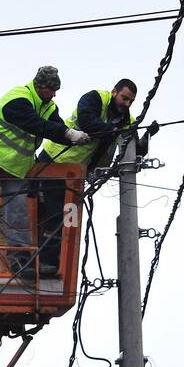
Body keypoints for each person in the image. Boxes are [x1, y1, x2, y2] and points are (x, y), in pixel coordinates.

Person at [0, 66, 90, 279]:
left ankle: (21, 263)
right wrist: (67, 133)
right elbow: (36, 125)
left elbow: (55, 128)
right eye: (51, 89)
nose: (54, 93)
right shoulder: (18, 98)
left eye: (56, 89)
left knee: (18, 214)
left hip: (15, 168)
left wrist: (75, 137)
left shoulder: (47, 106)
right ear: (39, 86)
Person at [35, 79, 138, 276]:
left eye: (131, 101)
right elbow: (87, 121)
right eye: (124, 98)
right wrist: (112, 131)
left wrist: (142, 142)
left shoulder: (126, 121)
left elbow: (131, 146)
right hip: (55, 164)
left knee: (69, 219)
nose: (126, 104)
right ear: (114, 91)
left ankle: (59, 264)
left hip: (76, 175)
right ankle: (46, 263)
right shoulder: (94, 98)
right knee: (57, 214)